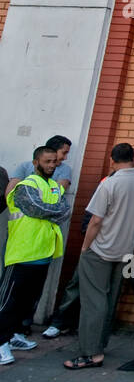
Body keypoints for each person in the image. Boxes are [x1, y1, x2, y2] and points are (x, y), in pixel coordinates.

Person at [65, 144, 134, 370]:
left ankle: (90, 352)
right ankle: (100, 344)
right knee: (111, 298)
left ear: (112, 159)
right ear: (133, 157)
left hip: (101, 249)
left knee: (94, 301)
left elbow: (95, 221)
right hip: (126, 252)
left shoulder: (109, 184)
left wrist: (85, 247)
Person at [0, 147, 72, 365]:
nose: (52, 165)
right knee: (7, 302)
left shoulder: (52, 186)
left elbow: (66, 210)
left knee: (26, 301)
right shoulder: (26, 185)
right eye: (47, 161)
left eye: (54, 162)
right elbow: (36, 208)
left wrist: (52, 210)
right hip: (21, 254)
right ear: (35, 162)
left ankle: (13, 336)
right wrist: (53, 209)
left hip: (42, 254)